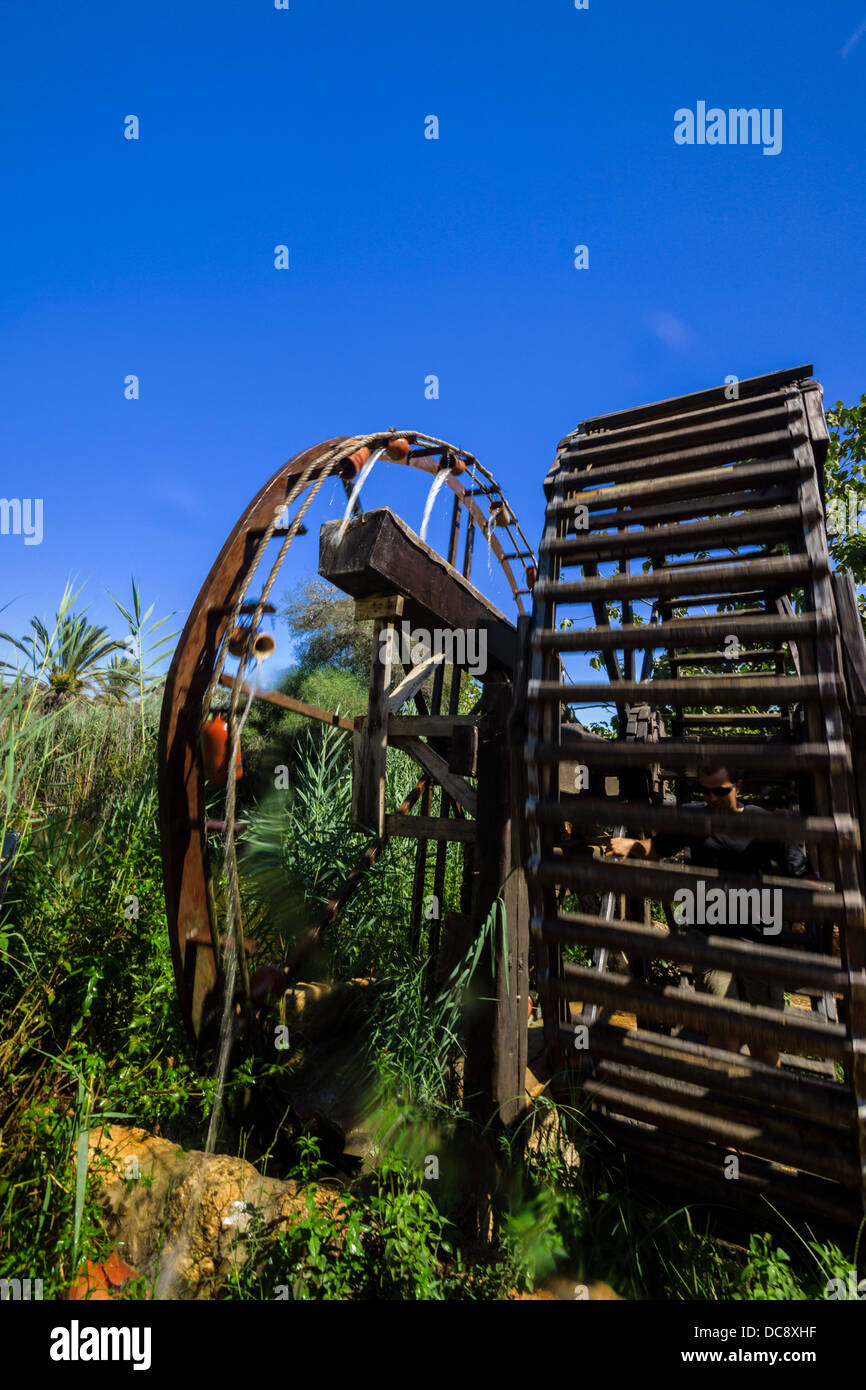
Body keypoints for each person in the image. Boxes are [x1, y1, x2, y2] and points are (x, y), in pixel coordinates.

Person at [604, 766, 815, 1066]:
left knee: (763, 1047)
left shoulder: (763, 822)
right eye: (706, 791)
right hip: (711, 941)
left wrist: (812, 895)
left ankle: (768, 1105)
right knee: (723, 1041)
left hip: (759, 942)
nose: (712, 797)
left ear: (737, 786)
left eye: (720, 790)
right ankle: (726, 1105)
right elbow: (656, 850)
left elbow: (802, 873)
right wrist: (633, 845)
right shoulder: (695, 819)